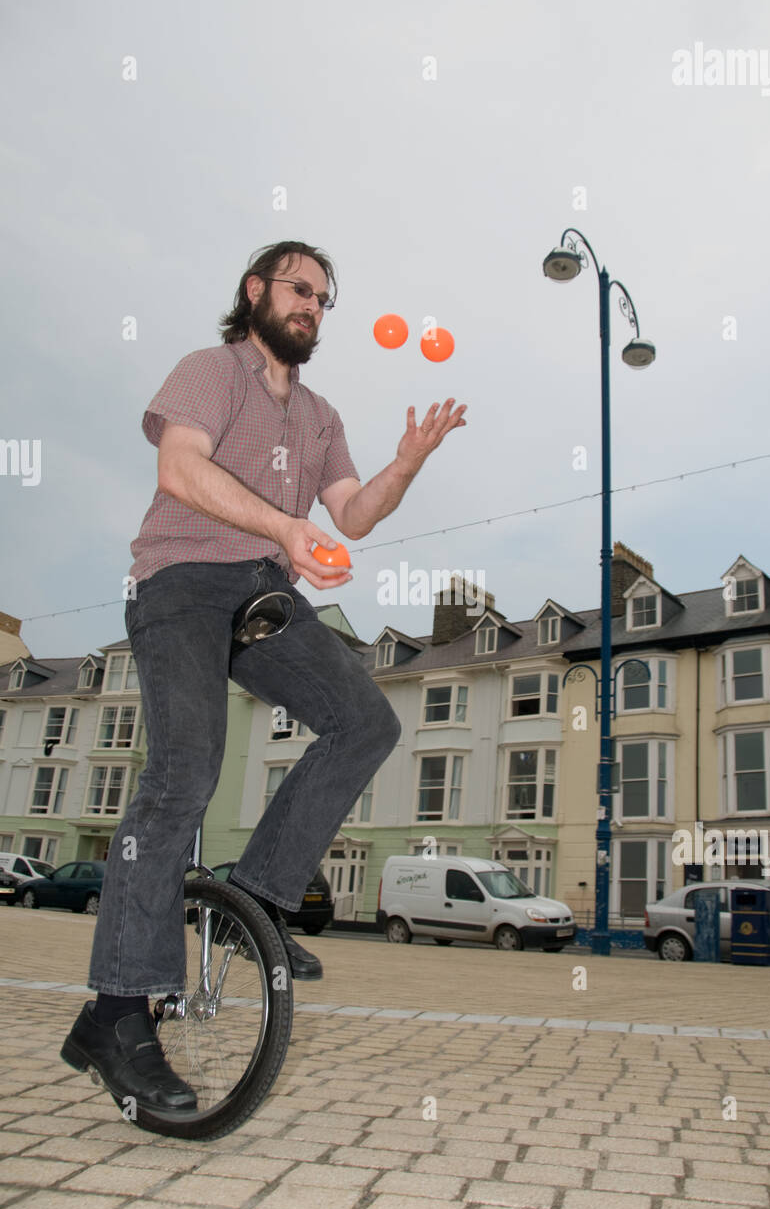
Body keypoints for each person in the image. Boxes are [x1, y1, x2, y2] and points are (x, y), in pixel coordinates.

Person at [60, 239, 467, 1116]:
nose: (310, 307)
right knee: (185, 775)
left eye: (323, 299)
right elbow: (179, 468)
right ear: (254, 292)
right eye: (297, 290)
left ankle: (251, 896)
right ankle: (118, 1014)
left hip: (262, 595)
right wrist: (284, 531)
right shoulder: (210, 371)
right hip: (178, 585)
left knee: (367, 721)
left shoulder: (318, 415)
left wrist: (408, 462)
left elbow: (352, 511)